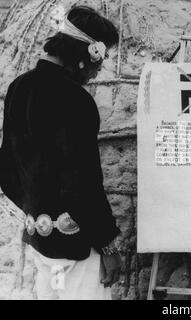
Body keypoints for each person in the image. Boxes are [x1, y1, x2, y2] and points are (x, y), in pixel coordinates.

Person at [0, 6, 121, 300]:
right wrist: (107, 245)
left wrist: (39, 213)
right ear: (84, 55)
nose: (99, 69)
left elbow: (7, 169)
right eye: (100, 59)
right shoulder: (76, 100)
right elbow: (84, 183)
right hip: (77, 252)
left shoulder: (18, 87)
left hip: (43, 247)